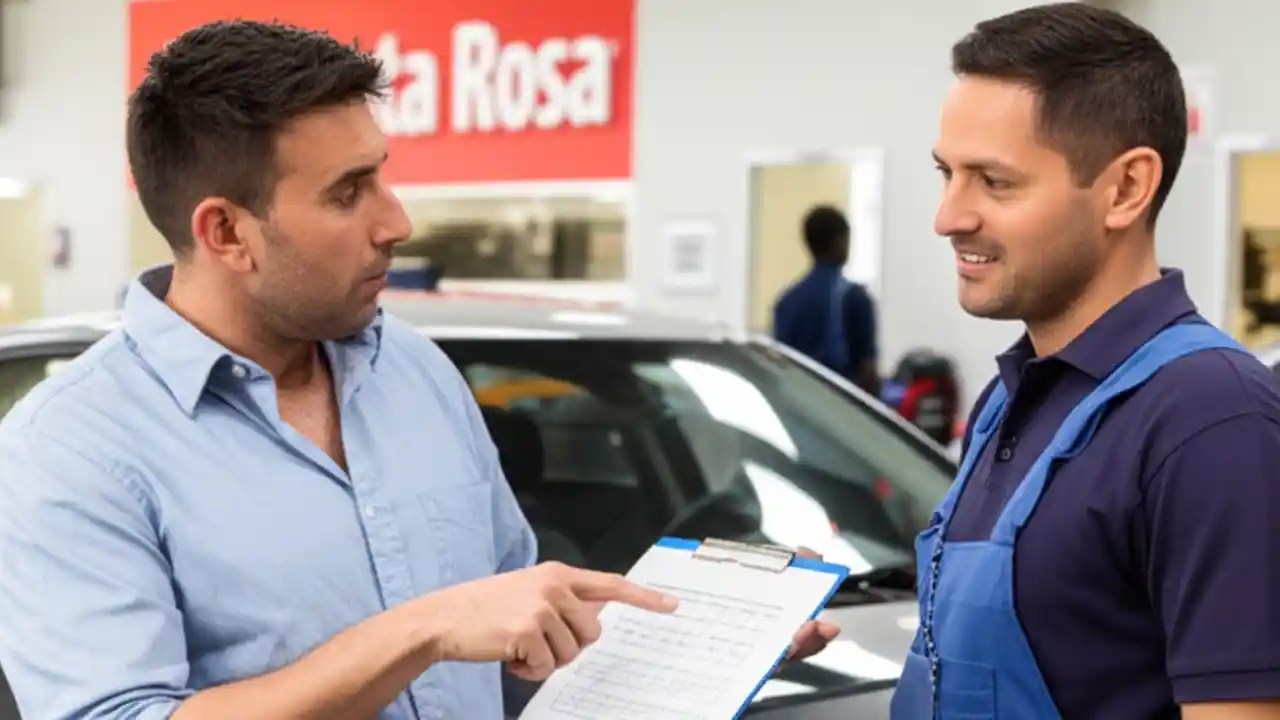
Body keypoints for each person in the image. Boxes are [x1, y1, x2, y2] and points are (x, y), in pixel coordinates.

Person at [0, 20, 837, 720]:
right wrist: (420, 631)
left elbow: (518, 635)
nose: (396, 221)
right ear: (225, 232)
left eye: (383, 175)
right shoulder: (68, 448)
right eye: (347, 191)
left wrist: (697, 642)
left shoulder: (413, 372)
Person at [892, 3, 1280, 719]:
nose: (949, 216)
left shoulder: (1210, 420)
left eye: (994, 181)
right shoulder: (1007, 403)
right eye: (947, 173)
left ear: (1126, 189)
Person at [773, 205, 881, 396]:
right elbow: (868, 371)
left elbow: (780, 365)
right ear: (841, 240)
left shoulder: (786, 302)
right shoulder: (853, 297)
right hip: (841, 406)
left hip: (798, 403)